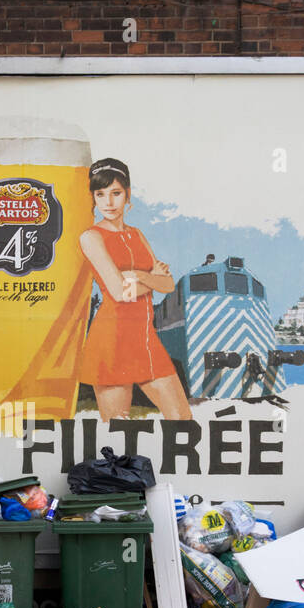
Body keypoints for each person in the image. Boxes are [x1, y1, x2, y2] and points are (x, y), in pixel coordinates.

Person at [77, 158, 192, 422]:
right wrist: (151, 278)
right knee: (118, 431)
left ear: (128, 194)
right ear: (93, 198)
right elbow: (119, 293)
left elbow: (168, 285)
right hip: (112, 340)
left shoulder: (137, 234)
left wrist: (138, 275)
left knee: (182, 419)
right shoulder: (91, 237)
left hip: (146, 340)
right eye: (100, 194)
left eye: (115, 193)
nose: (108, 202)